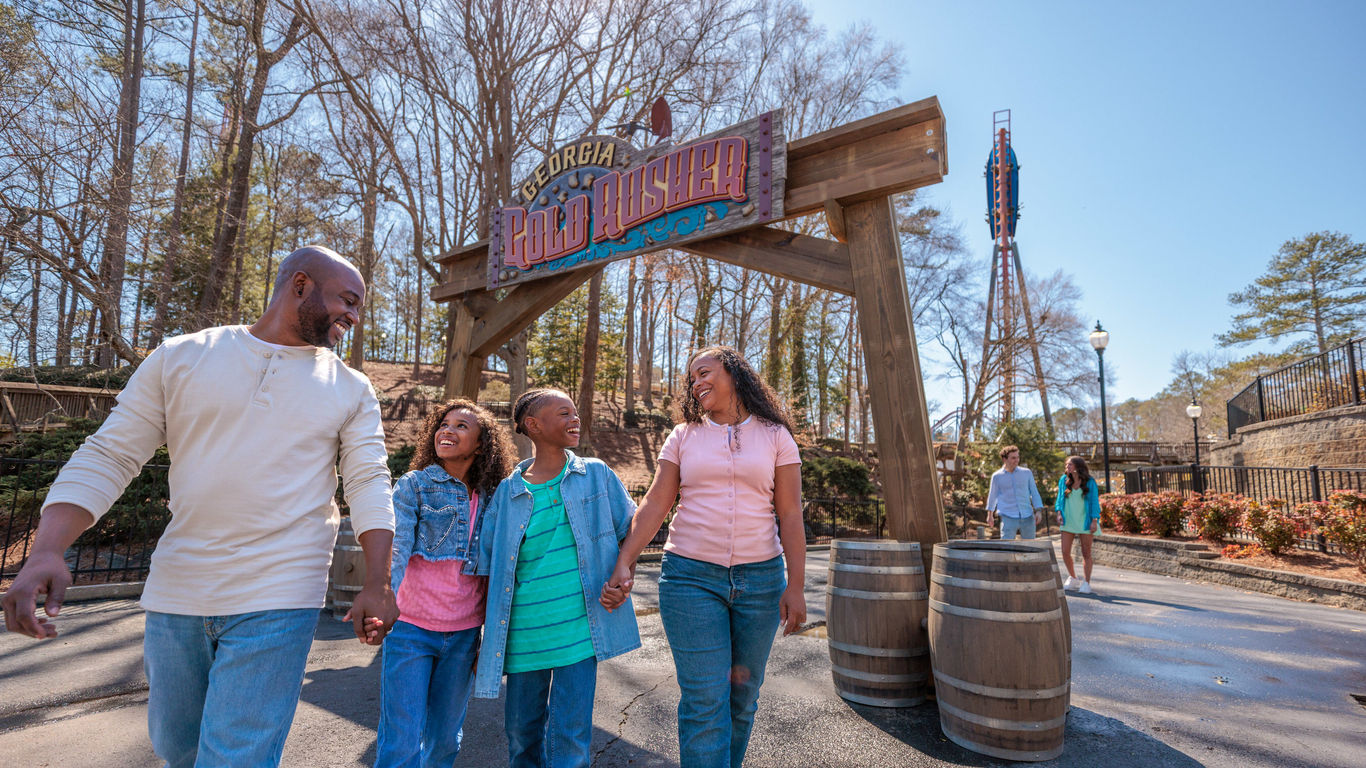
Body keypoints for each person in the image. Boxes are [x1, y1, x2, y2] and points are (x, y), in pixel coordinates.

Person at [0, 245, 399, 768]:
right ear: (299, 285)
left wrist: (377, 580)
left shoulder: (351, 388)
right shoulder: (182, 355)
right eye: (348, 300)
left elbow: (369, 479)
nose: (354, 315)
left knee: (236, 759)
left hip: (280, 591)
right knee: (178, 749)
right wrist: (48, 549)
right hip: (177, 591)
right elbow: (111, 452)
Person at [602, 345, 806, 768]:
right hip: (690, 579)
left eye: (705, 372)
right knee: (704, 699)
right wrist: (626, 559)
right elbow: (657, 503)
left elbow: (789, 514)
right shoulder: (683, 436)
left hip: (761, 581)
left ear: (734, 374)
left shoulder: (775, 436)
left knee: (742, 697)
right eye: (691, 379)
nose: (696, 383)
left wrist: (797, 585)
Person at [472, 388, 640, 768]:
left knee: (571, 738)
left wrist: (623, 575)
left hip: (580, 632)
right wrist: (478, 632)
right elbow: (486, 566)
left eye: (575, 413)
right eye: (563, 413)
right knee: (521, 736)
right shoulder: (507, 492)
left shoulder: (595, 474)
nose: (574, 419)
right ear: (533, 425)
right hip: (522, 634)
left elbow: (632, 529)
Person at [377, 399, 516, 768]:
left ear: (482, 444)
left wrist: (489, 638)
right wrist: (382, 596)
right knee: (401, 739)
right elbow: (399, 545)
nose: (447, 430)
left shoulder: (493, 498)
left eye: (460, 426)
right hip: (410, 630)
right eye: (443, 424)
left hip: (464, 637)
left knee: (444, 741)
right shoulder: (415, 485)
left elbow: (496, 570)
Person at [1055, 455, 1101, 594]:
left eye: (1070, 465)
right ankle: (1073, 577)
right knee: (1064, 551)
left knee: (1086, 553)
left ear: (1078, 466)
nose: (1067, 467)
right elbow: (1059, 499)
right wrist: (1059, 513)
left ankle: (1086, 583)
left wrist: (1094, 520)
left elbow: (1094, 501)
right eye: (1066, 465)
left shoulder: (1090, 482)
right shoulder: (1064, 480)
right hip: (1068, 520)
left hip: (1085, 521)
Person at [985, 445, 1045, 540]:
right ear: (1004, 459)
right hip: (1008, 517)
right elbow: (992, 496)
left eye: (1018, 457)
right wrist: (990, 515)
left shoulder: (1027, 473)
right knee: (1007, 549)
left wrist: (1038, 510)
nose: (1017, 460)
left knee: (1030, 549)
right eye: (1013, 458)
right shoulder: (997, 476)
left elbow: (1034, 492)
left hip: (1028, 516)